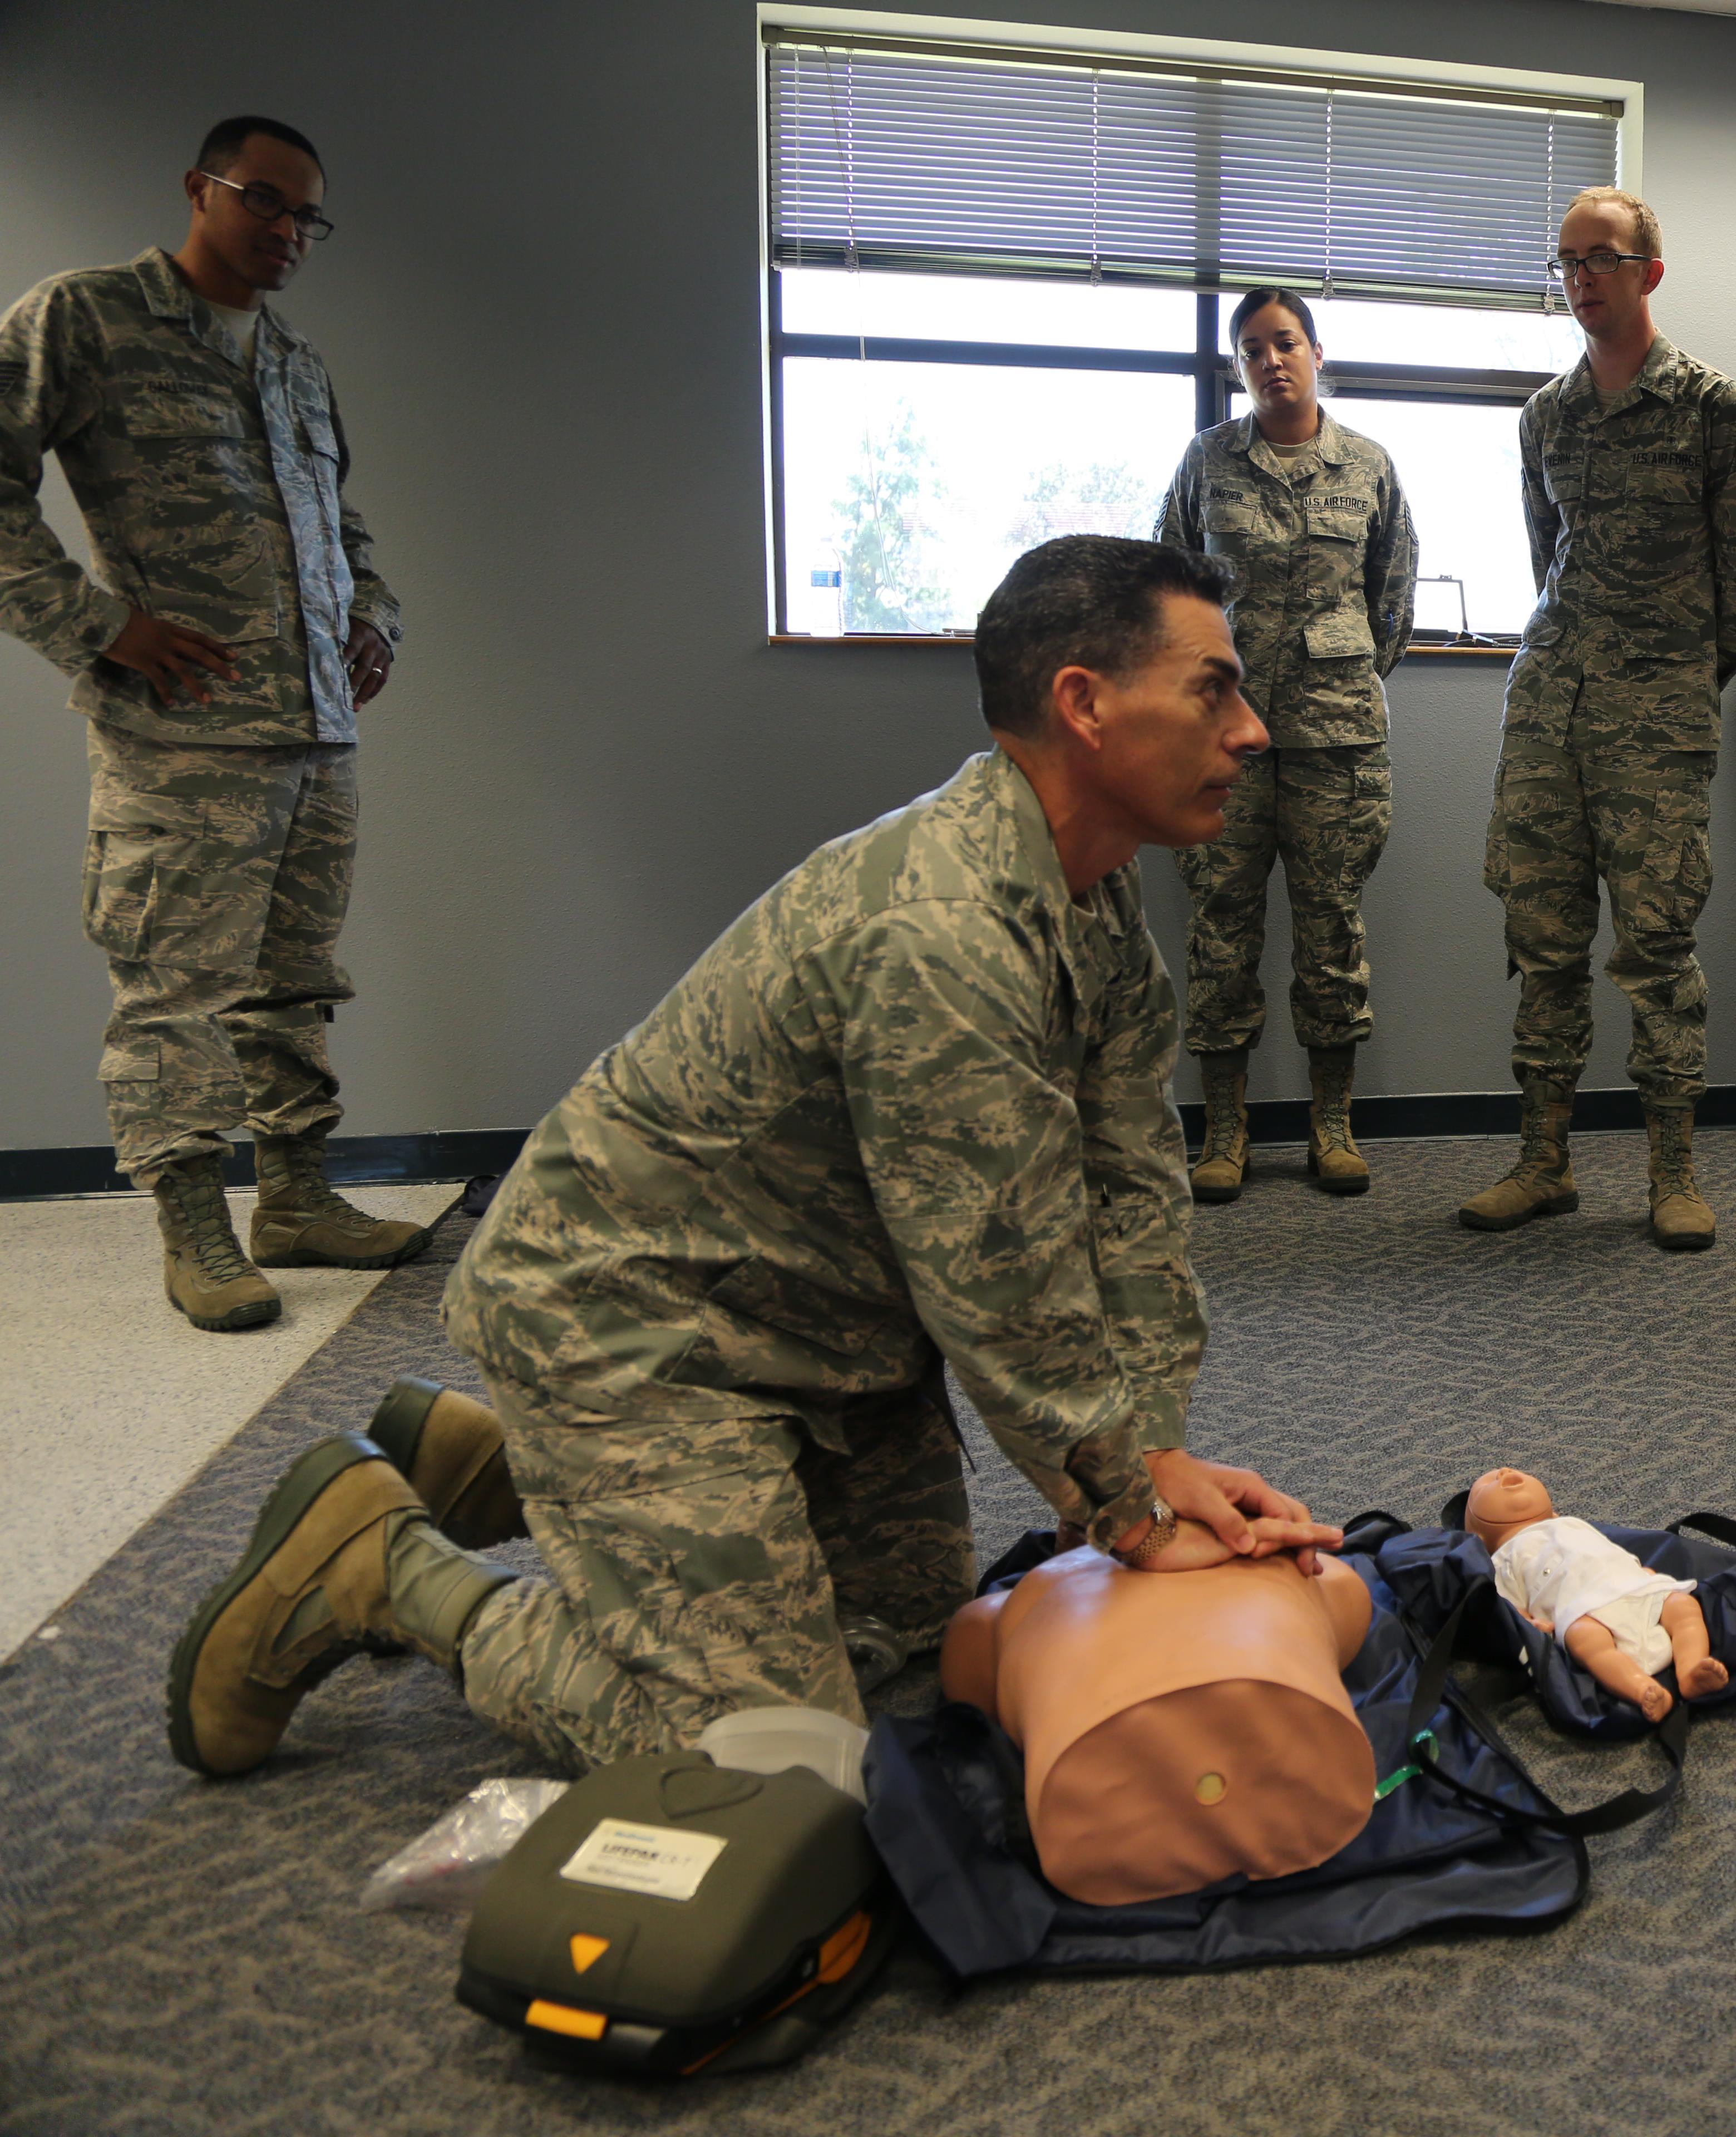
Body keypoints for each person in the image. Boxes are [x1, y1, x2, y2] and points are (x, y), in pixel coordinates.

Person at [165, 538, 1343, 1778]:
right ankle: (381, 1564)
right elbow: (1002, 1282)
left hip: (820, 1341)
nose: (1252, 731)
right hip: (635, 1329)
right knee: (776, 1762)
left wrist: (1152, 1453)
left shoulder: (1093, 903)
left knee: (906, 1639)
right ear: (1085, 705)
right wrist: (1126, 1505)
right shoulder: (942, 934)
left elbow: (1133, 1204)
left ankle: (499, 1469)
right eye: (1214, 690)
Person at [0, 116, 425, 1333]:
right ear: (201, 188)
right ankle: (195, 1229)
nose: (289, 231)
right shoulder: (88, 319)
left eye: (309, 216)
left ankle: (296, 1198)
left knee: (294, 983)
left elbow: (343, 527)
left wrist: (377, 617)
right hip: (181, 738)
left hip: (316, 731)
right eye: (266, 201)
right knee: (175, 991)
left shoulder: (293, 362)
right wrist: (96, 626)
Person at [1460, 186, 1736, 1252]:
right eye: (1567, 260)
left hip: (1657, 716)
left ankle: (1672, 1171)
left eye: (1601, 257)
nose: (1581, 277)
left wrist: (1679, 677)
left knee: (1657, 944)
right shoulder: (1545, 416)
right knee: (1541, 938)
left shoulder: (1711, 408)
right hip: (1549, 705)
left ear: (1650, 272)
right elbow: (1544, 550)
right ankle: (1543, 1162)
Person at [1156, 288, 1416, 1203]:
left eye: (1286, 342)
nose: (1271, 361)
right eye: (1253, 349)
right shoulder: (1208, 461)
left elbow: (1392, 601)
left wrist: (1338, 675)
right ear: (1238, 365)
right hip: (1224, 741)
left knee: (1331, 930)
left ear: (1316, 353)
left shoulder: (1368, 465)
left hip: (1334, 744)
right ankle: (1224, 1132)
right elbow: (1169, 587)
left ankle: (1331, 1126)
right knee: (1220, 933)